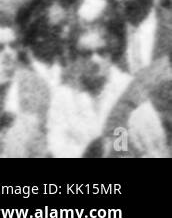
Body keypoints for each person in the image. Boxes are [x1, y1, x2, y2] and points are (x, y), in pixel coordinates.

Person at [47, 22, 132, 158]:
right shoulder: (63, 96)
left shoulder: (127, 88)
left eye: (101, 51)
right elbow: (57, 144)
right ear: (75, 58)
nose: (95, 59)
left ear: (110, 53)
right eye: (86, 54)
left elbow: (125, 138)